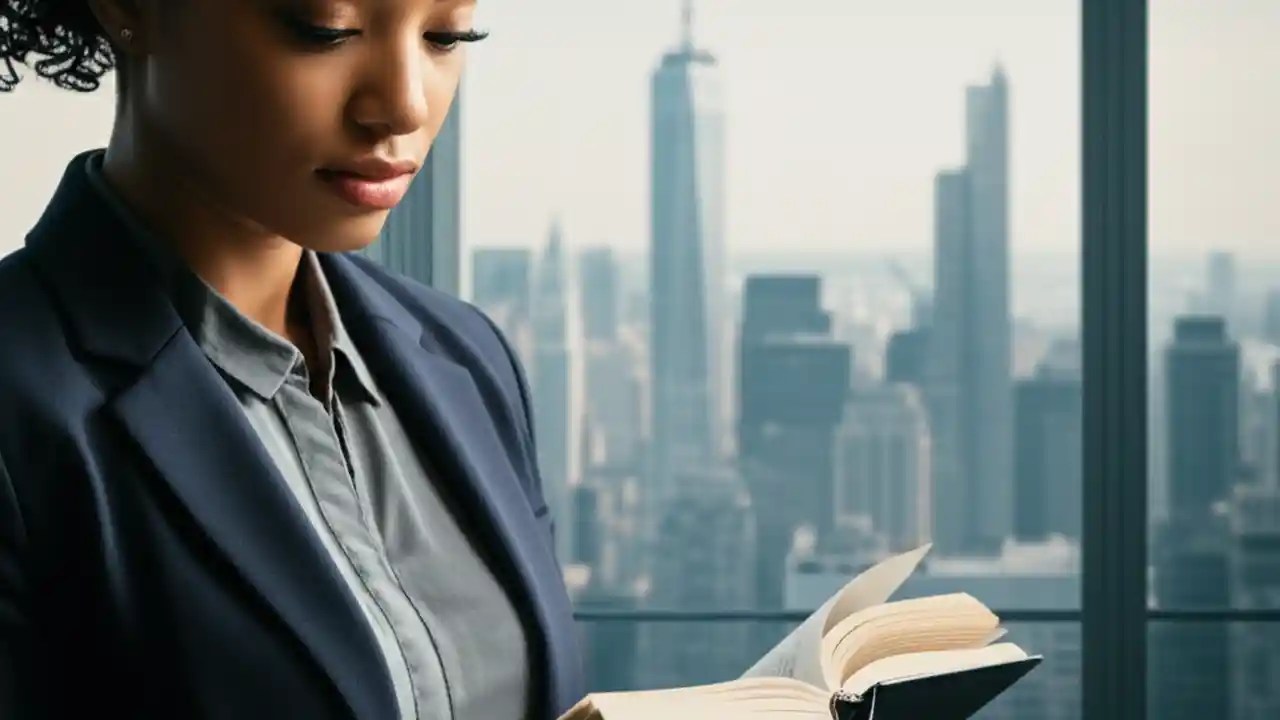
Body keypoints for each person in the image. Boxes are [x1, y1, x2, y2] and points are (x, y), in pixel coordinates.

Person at [0, 1, 585, 718]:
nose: (403, 105)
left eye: (446, 36)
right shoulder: (21, 405)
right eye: (325, 29)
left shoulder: (469, 358)